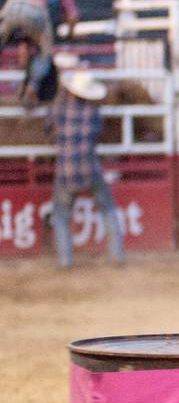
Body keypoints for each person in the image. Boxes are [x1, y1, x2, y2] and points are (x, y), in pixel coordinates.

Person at [48, 70, 124, 267]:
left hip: (66, 169)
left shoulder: (61, 110)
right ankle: (116, 255)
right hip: (90, 167)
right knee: (107, 208)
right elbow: (98, 132)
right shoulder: (93, 113)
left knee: (61, 215)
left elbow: (48, 125)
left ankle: (65, 261)